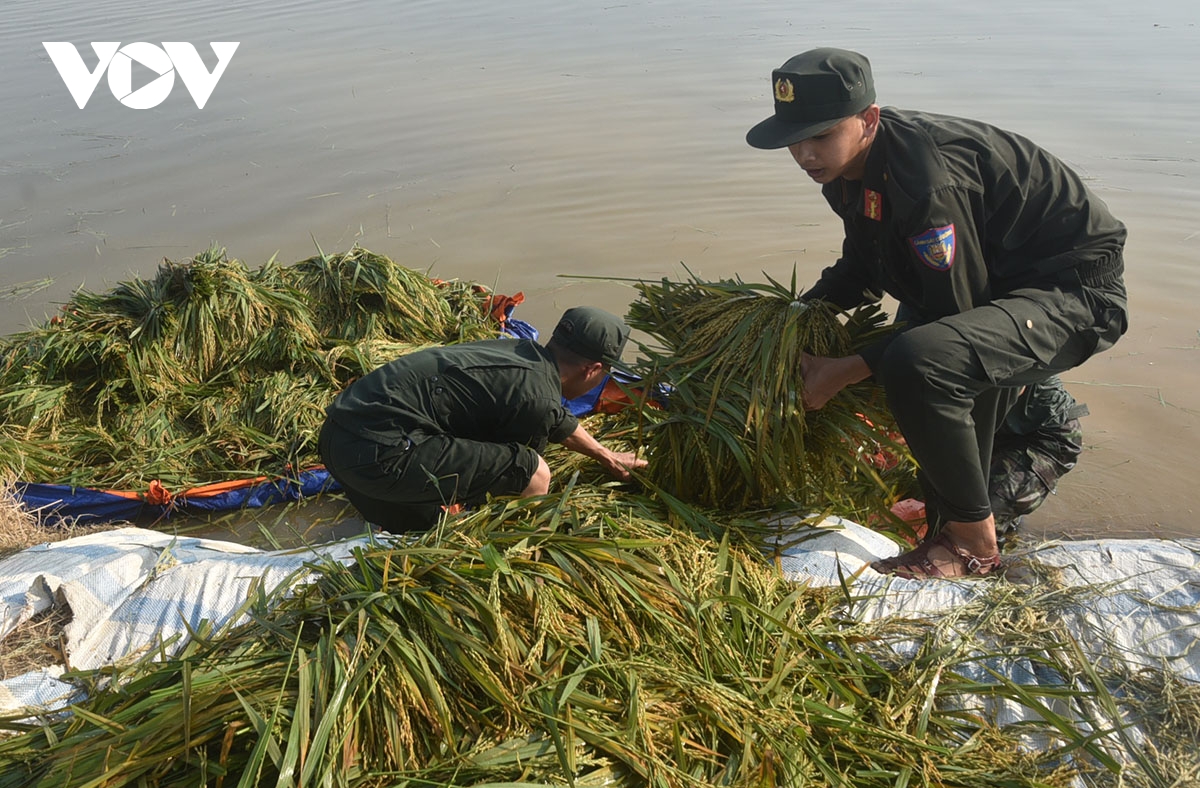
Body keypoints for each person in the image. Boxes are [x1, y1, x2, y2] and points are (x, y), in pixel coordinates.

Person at [746, 48, 1128, 578]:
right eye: (795, 140)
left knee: (920, 360)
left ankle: (973, 546)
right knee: (914, 360)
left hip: (1071, 294)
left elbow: (957, 310)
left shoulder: (925, 181)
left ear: (868, 119)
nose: (806, 154)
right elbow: (863, 265)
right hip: (1000, 285)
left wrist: (846, 369)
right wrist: (790, 316)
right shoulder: (848, 170)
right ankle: (948, 529)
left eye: (821, 136)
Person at [319, 306, 647, 532]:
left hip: (337, 440)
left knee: (426, 529)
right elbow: (518, 468)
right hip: (379, 456)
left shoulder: (521, 352)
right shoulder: (537, 398)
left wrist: (605, 455)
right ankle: (516, 554)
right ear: (592, 370)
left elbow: (555, 418)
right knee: (532, 471)